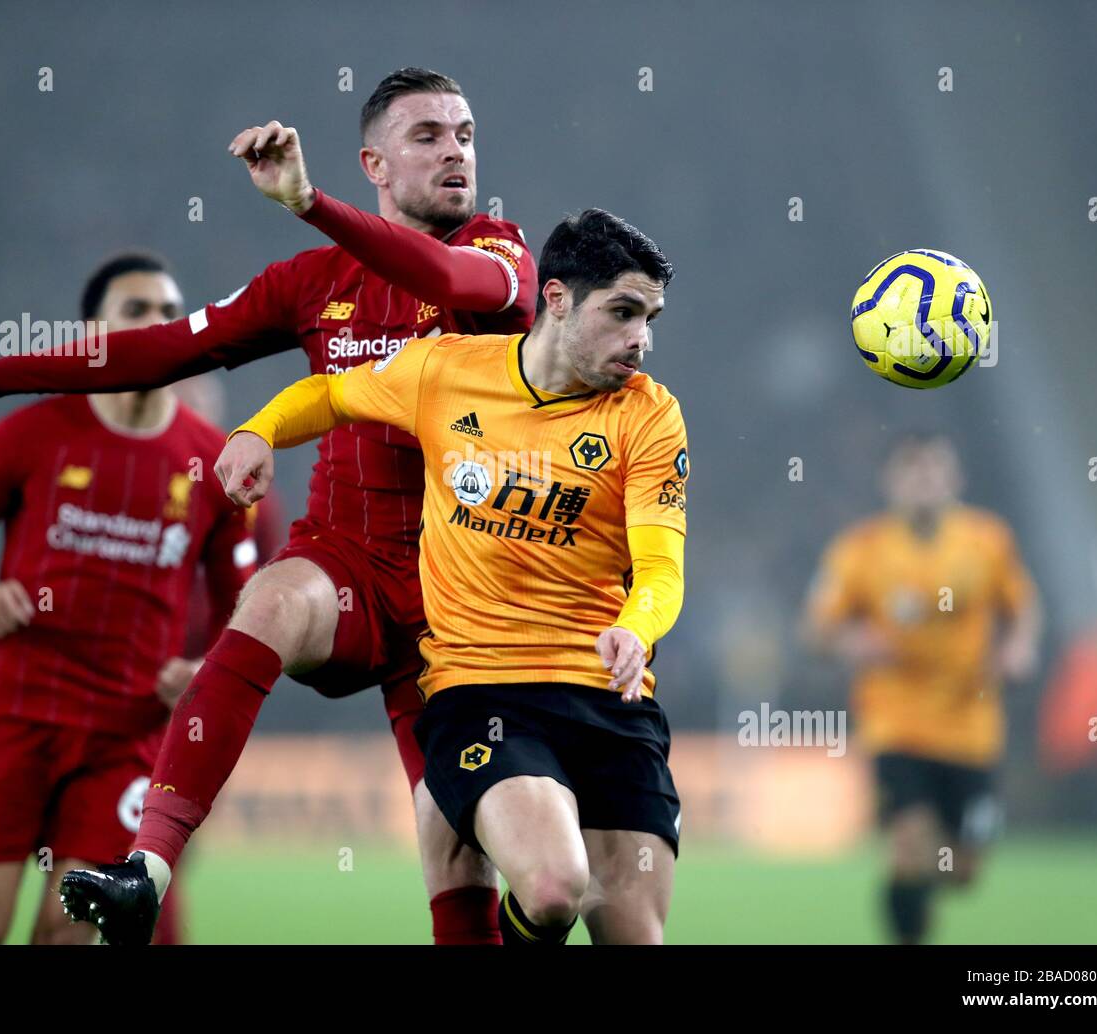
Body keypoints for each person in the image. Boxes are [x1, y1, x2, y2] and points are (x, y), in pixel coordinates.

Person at [0, 68, 537, 944]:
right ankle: (147, 867)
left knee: (459, 853)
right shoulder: (312, 282)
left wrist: (308, 200)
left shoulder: (501, 256)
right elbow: (159, 351)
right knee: (273, 598)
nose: (456, 150)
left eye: (465, 134)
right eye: (428, 135)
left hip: (459, 599)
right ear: (377, 165)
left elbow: (437, 272)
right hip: (347, 567)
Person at [64, 209, 688, 945]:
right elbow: (330, 393)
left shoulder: (648, 416)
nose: (639, 340)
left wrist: (634, 627)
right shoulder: (447, 371)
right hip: (486, 694)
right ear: (555, 299)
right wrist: (258, 430)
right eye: (622, 313)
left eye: (649, 317)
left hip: (611, 704)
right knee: (554, 890)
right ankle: (155, 857)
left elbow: (659, 569)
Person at [0, 253, 256, 943]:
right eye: (136, 312)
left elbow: (243, 609)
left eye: (168, 312)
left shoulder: (214, 465)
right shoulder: (29, 435)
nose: (157, 325)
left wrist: (207, 670)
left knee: (68, 936)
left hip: (124, 738)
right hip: (14, 717)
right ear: (92, 336)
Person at [802, 433, 1041, 944]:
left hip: (971, 727)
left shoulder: (988, 541)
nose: (925, 482)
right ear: (890, 482)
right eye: (913, 472)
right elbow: (817, 630)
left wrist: (1019, 648)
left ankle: (912, 896)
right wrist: (851, 643)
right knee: (912, 845)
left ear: (956, 479)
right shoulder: (860, 550)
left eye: (935, 470)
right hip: (896, 725)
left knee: (962, 871)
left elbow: (1022, 608)